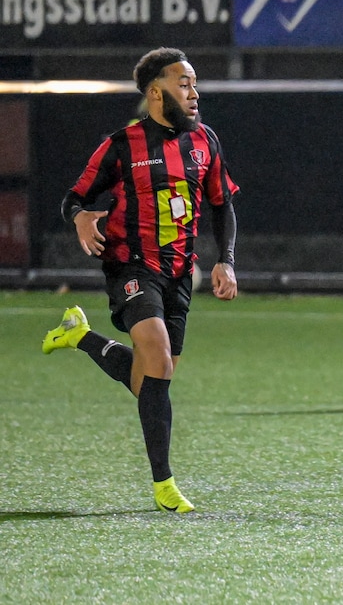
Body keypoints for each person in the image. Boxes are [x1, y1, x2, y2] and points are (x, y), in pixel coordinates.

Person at [41, 47, 241, 514]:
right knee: (156, 360)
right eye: (184, 84)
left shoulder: (205, 141)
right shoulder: (120, 146)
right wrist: (80, 219)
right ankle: (164, 484)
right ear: (156, 92)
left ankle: (80, 337)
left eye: (195, 84)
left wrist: (226, 260)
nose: (194, 93)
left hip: (178, 274)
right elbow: (74, 197)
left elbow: (222, 204)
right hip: (131, 267)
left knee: (151, 377)